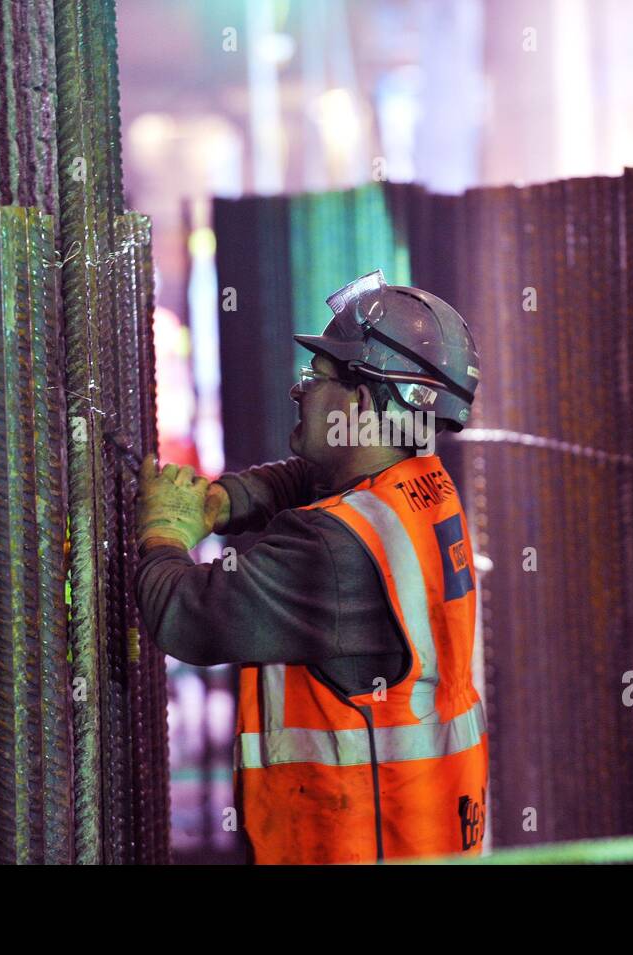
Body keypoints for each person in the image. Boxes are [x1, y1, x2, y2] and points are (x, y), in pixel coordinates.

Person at [133, 270, 488, 864]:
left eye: (317, 378)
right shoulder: (418, 488)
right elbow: (310, 480)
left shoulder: (334, 550)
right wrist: (223, 502)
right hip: (423, 837)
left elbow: (186, 615)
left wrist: (164, 527)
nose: (300, 392)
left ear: (365, 402)